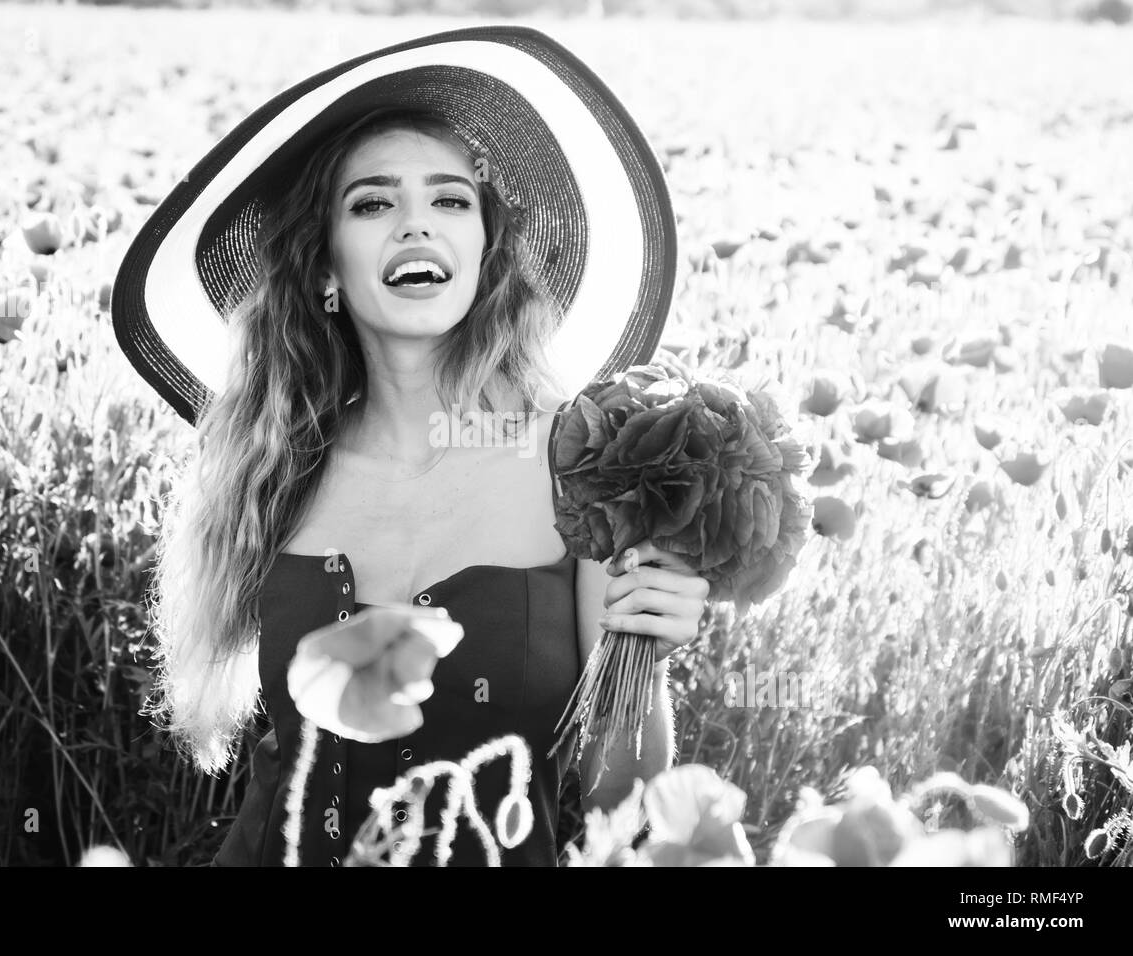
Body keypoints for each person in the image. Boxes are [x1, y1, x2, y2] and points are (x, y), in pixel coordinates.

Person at [112, 27, 709, 866]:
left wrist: (644, 654)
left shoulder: (579, 474)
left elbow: (622, 798)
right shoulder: (277, 468)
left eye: (450, 200)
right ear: (326, 266)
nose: (415, 226)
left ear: (483, 250)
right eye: (373, 203)